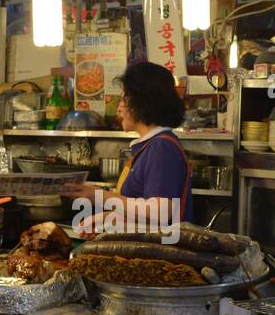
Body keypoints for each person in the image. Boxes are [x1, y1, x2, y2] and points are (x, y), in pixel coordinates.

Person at [63, 61, 193, 227]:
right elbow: (140, 211)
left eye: (124, 99)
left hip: (160, 251)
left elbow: (159, 213)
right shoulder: (149, 145)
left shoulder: (161, 147)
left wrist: (99, 196)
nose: (119, 108)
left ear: (142, 102)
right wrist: (106, 219)